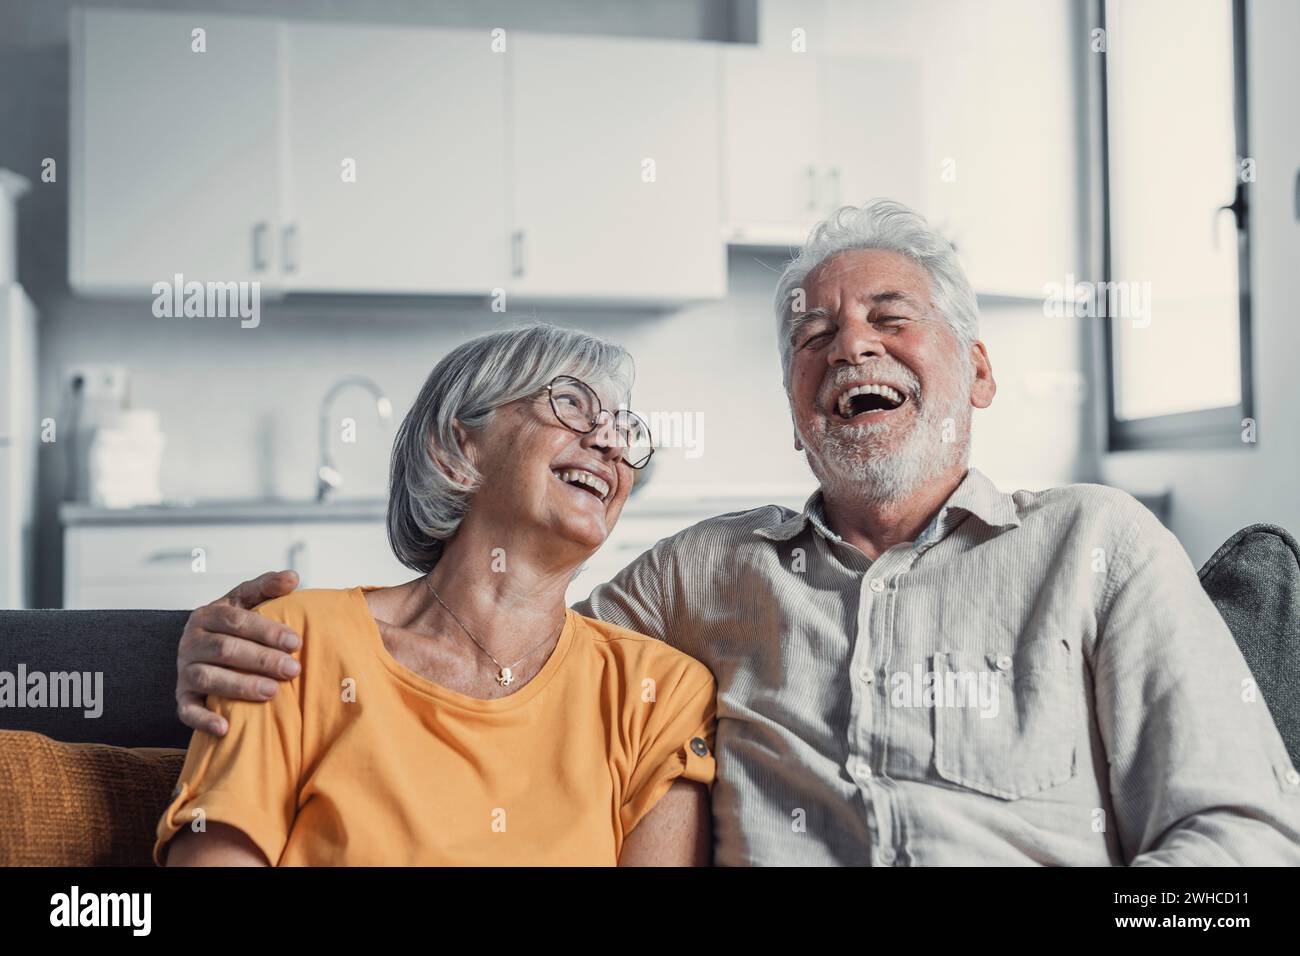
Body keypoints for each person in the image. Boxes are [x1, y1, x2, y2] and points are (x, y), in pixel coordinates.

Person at [175, 200, 1300, 865]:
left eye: (888, 318)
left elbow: (1242, 839)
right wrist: (198, 643)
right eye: (813, 334)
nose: (847, 344)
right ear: (795, 409)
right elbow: (489, 647)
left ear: (980, 369)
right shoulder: (702, 577)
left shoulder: (1098, 544)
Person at [157, 325, 716, 866]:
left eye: (624, 429)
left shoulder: (656, 694)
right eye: (572, 404)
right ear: (456, 447)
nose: (610, 443)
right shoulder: (293, 641)